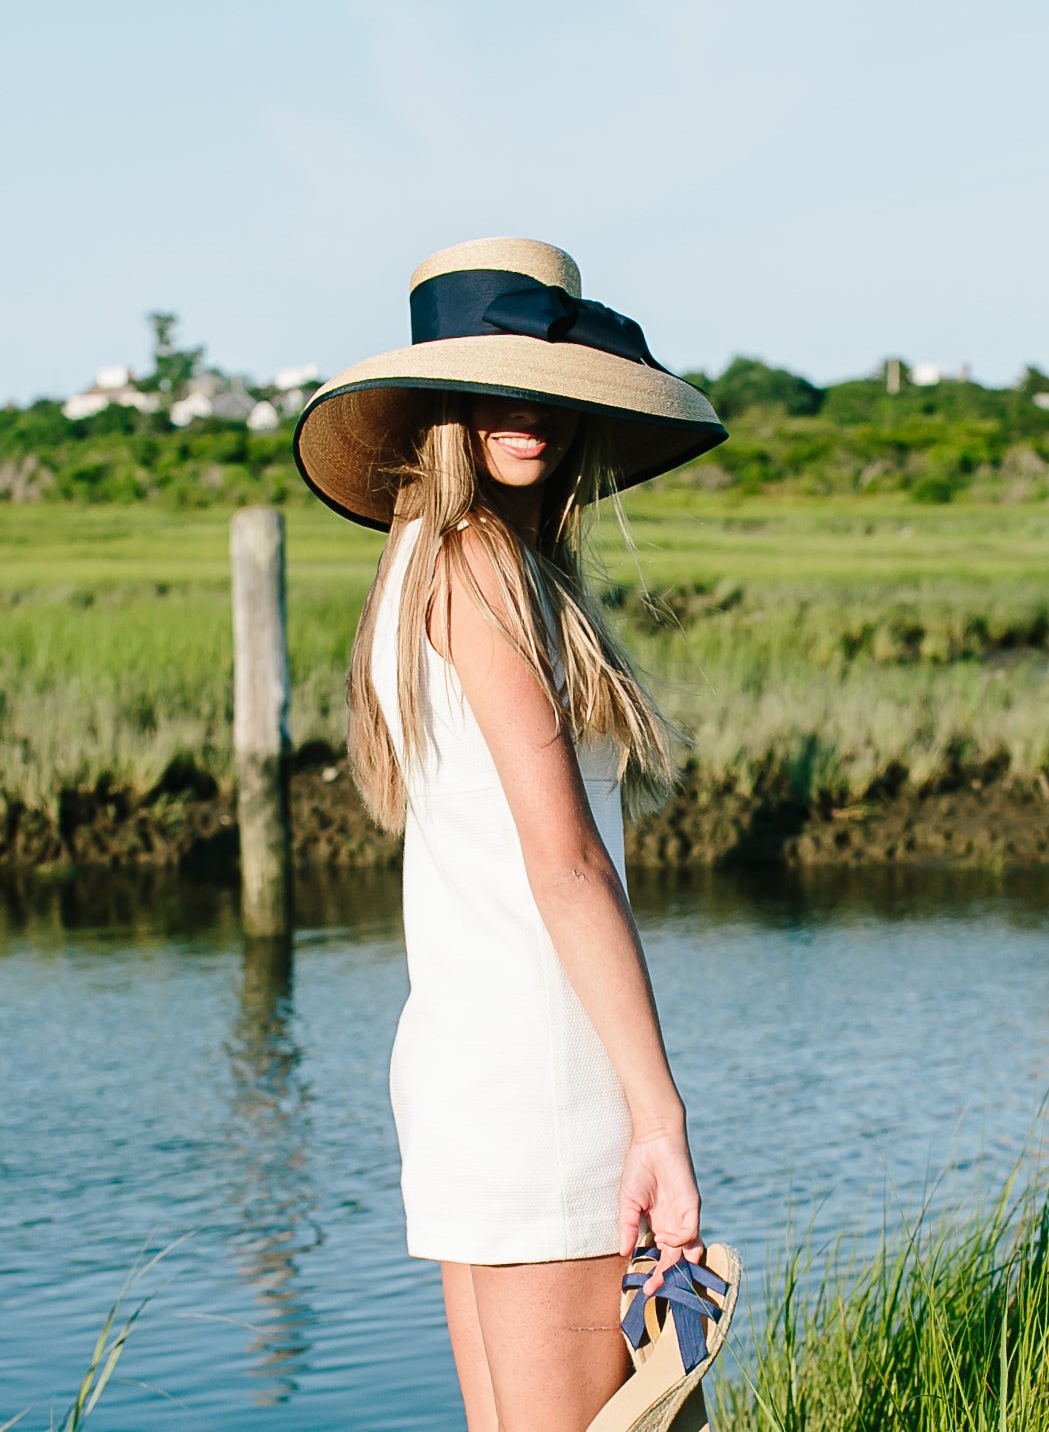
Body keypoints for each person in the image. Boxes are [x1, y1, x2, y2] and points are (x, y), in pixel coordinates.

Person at [294, 238, 734, 1431]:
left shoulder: (416, 559)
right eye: (495, 379)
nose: (527, 408)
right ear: (439, 403)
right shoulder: (482, 561)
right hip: (545, 1075)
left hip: (463, 1065)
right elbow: (566, 860)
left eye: (550, 385)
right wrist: (659, 1116)